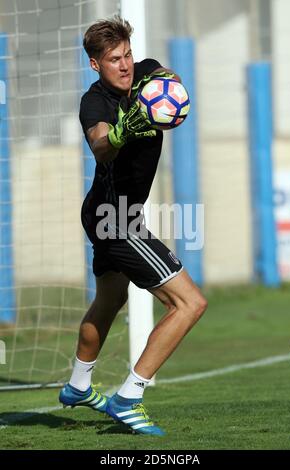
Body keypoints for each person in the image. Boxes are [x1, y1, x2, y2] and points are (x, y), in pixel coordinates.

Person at [59, 16, 208, 437]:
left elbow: (169, 80)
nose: (125, 66)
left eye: (127, 55)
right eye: (113, 60)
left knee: (110, 298)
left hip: (110, 212)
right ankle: (129, 397)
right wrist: (124, 131)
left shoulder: (145, 74)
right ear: (95, 65)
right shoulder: (95, 102)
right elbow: (101, 145)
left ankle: (77, 385)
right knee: (190, 304)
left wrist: (166, 89)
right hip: (115, 219)